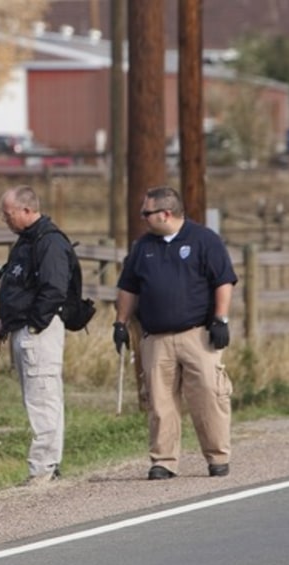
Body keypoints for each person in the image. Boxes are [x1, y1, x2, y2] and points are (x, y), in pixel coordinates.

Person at [114, 186, 237, 480]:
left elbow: (223, 281)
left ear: (165, 213)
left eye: (147, 213)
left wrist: (220, 319)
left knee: (209, 394)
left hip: (196, 334)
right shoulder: (142, 248)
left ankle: (217, 456)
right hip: (156, 338)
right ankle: (163, 460)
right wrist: (120, 322)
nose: (143, 218)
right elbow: (128, 287)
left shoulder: (204, 240)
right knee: (159, 400)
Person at [0, 185, 75, 485]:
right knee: (37, 398)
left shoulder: (49, 242)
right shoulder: (26, 241)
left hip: (38, 331)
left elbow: (54, 289)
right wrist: (7, 320)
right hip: (22, 328)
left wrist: (35, 324)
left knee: (43, 397)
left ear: (27, 210)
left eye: (8, 214)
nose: (5, 220)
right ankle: (47, 465)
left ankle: (43, 469)